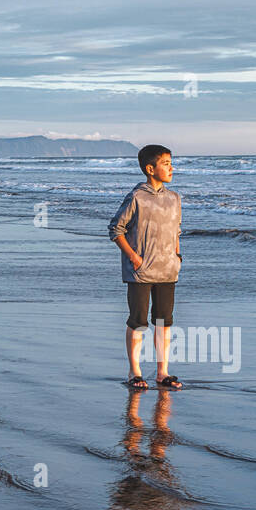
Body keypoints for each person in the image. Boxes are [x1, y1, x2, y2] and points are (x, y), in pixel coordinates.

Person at [108, 144, 183, 390]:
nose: (171, 168)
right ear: (150, 169)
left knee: (164, 321)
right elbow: (116, 229)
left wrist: (177, 256)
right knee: (138, 321)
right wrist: (133, 257)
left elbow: (176, 231)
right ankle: (135, 371)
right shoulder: (136, 197)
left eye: (171, 162)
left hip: (167, 270)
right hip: (140, 272)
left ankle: (163, 372)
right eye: (165, 163)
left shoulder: (174, 199)